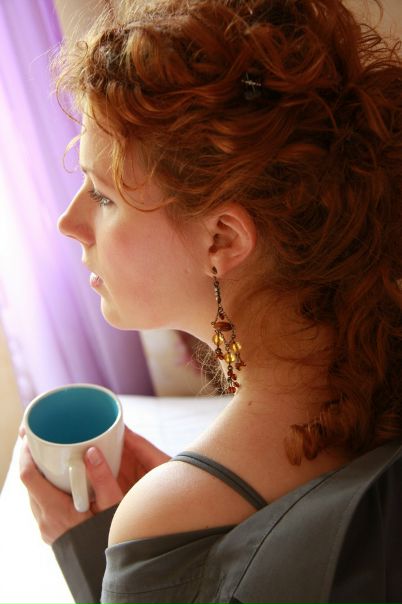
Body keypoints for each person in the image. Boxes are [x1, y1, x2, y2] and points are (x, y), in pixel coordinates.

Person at [20, 0, 402, 602]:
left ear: (221, 239)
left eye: (103, 195)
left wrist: (109, 549)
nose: (69, 223)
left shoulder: (161, 519)